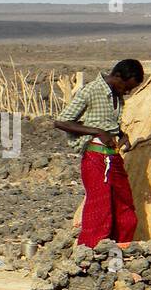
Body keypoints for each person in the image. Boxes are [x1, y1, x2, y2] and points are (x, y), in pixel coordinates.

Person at [53, 59, 144, 248]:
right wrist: (97, 132)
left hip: (113, 157)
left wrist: (120, 134)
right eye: (127, 87)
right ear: (118, 76)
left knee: (125, 211)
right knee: (100, 210)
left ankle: (119, 254)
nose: (127, 92)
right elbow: (61, 122)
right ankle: (90, 256)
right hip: (95, 157)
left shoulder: (116, 96)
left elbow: (108, 124)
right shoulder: (92, 90)